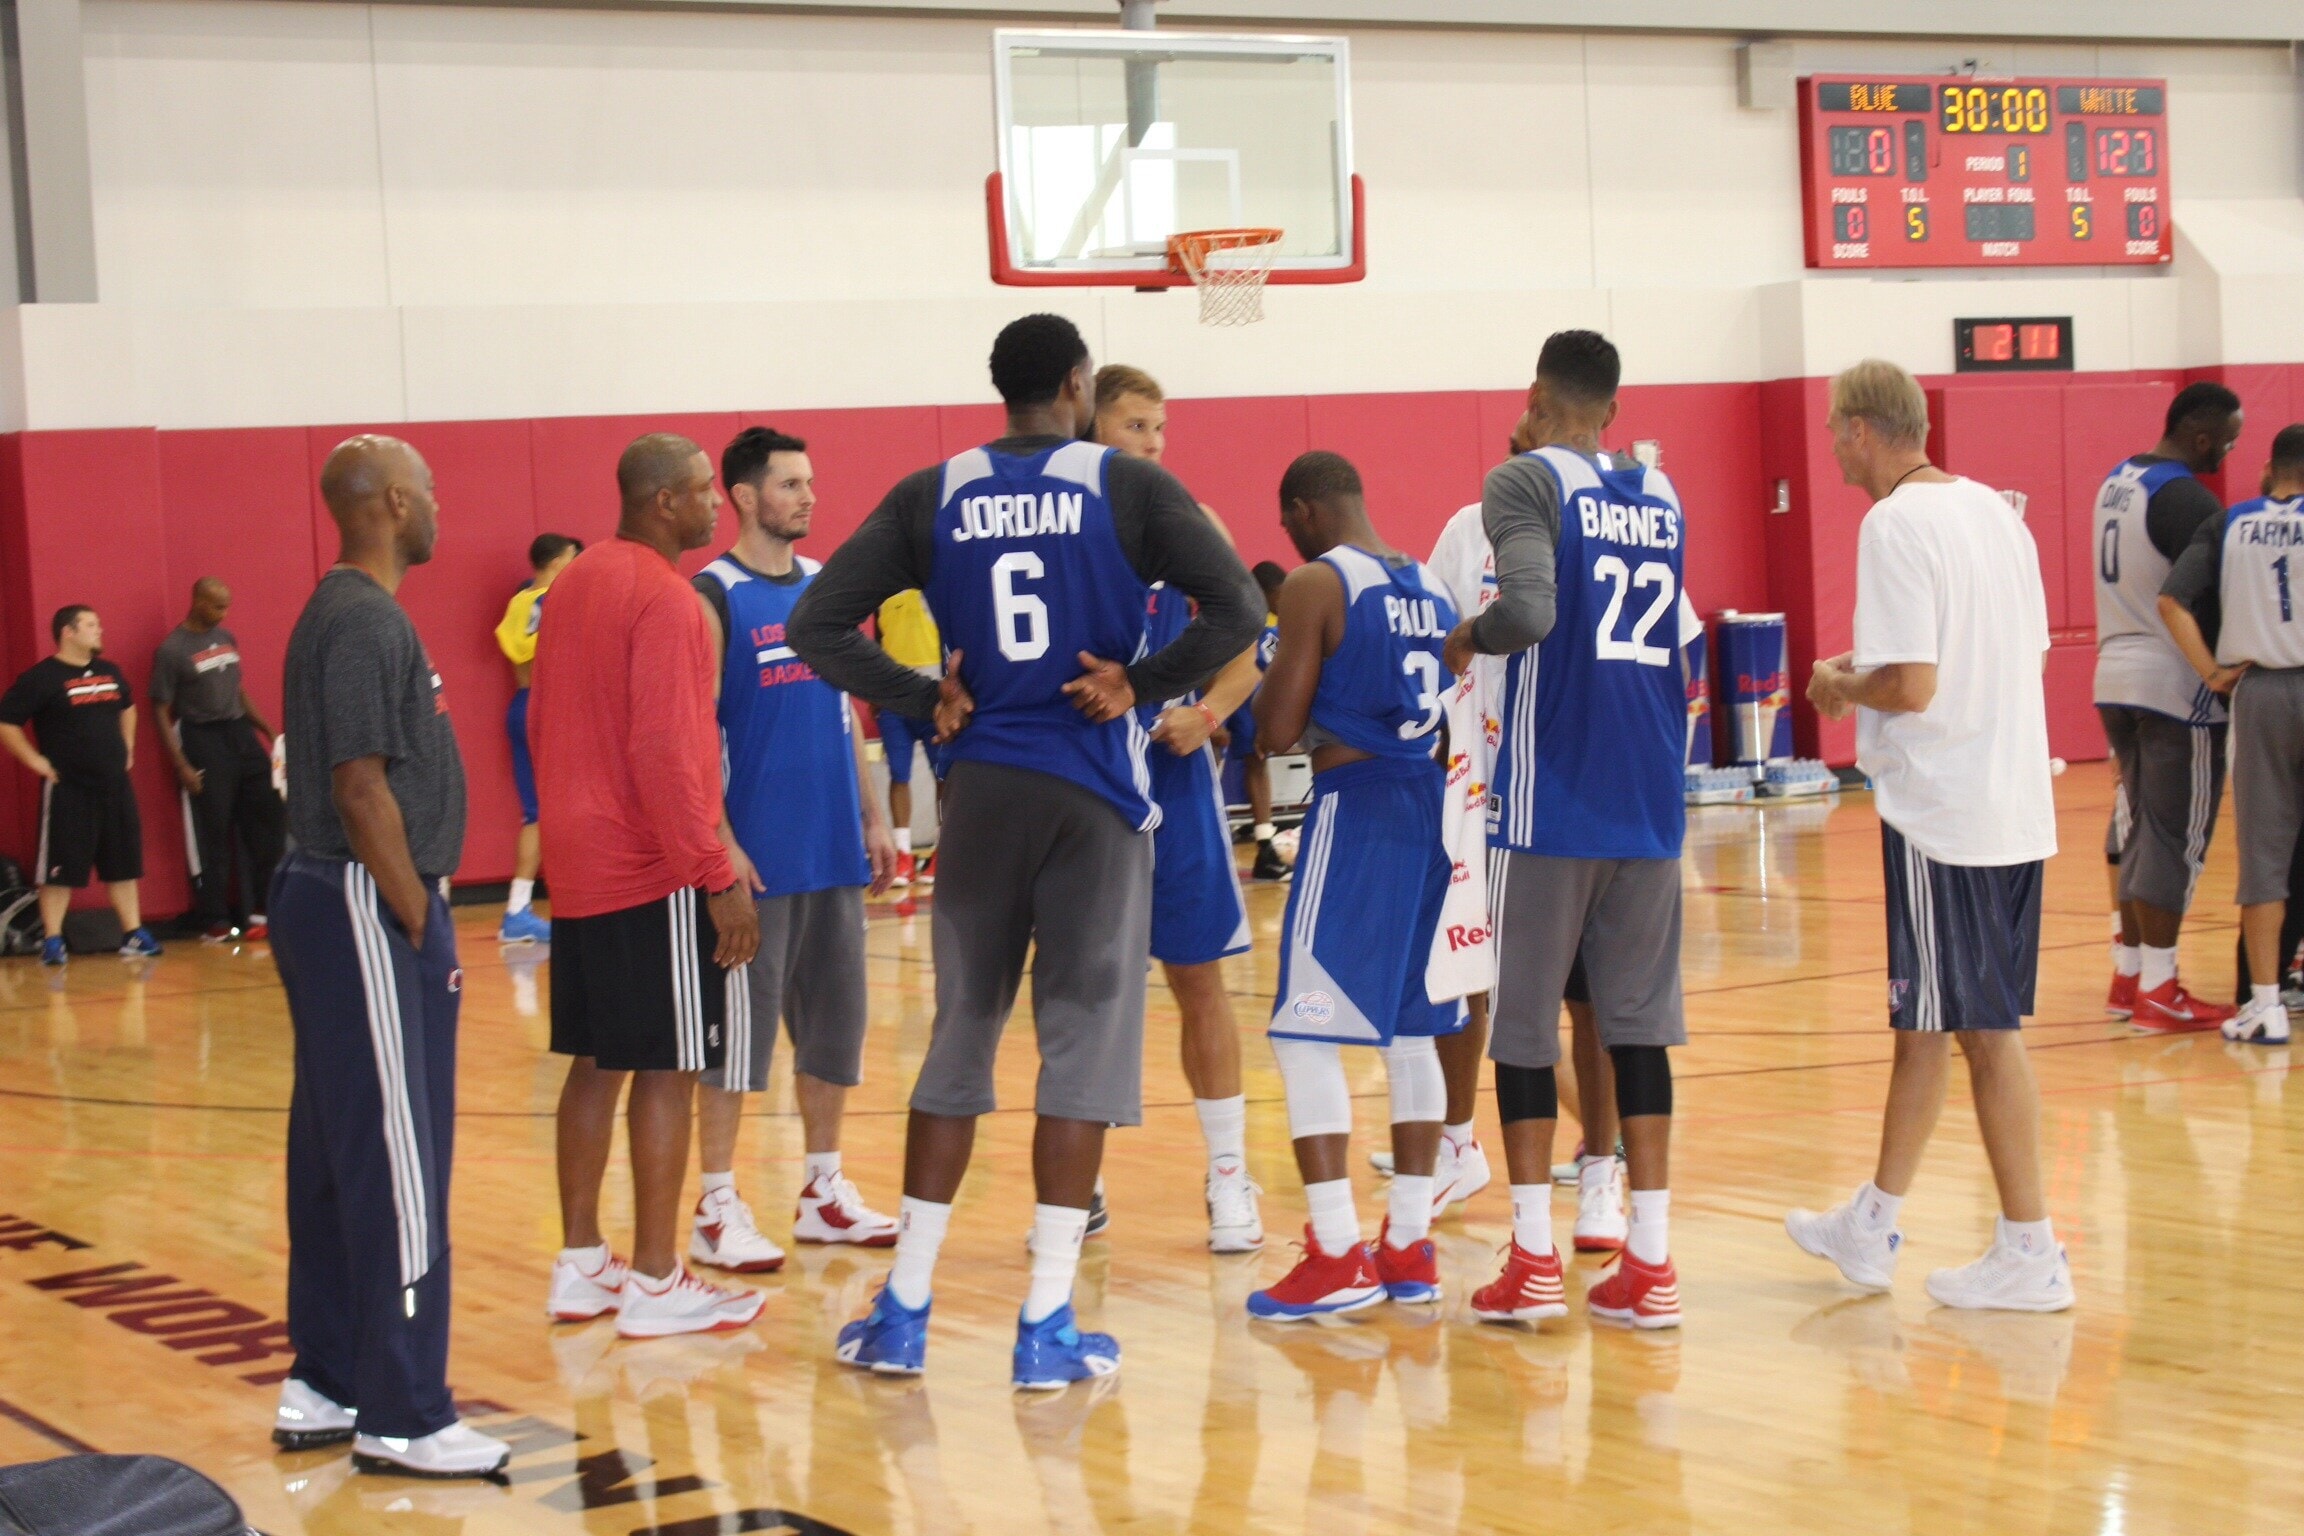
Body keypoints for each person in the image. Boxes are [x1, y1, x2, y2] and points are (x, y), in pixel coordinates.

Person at [788, 313, 1260, 1388]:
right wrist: (1140, 684)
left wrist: (923, 698)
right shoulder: (1126, 485)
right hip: (1092, 793)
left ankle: (904, 1310)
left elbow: (818, 626)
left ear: (1001, 389)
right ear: (1078, 385)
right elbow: (1237, 606)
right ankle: (1047, 1323)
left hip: (983, 792)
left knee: (959, 1041)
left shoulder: (933, 491)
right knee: (1081, 1050)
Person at [1788, 359, 2073, 1313]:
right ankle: (1872, 1225)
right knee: (1923, 1023)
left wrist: (1840, 686)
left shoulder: (1894, 523)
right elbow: (2021, 655)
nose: (1832, 444)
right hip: (2011, 804)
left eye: (1835, 427)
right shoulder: (1994, 513)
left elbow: (1911, 685)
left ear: (1863, 429)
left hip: (1945, 814)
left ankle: (2031, 1246)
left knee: (1985, 1035)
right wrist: (1870, 669)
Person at [1443, 329, 1697, 1329]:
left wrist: (1469, 636)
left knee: (1523, 1028)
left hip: (1554, 793)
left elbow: (1530, 613)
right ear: (1614, 409)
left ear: (1534, 396)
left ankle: (1534, 1259)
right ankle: (1652, 1260)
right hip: (1652, 794)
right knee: (1638, 1028)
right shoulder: (1659, 492)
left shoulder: (1522, 481)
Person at [267, 435, 507, 1476]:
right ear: (397, 502)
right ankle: (406, 1411)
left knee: (335, 1152)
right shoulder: (365, 618)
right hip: (365, 900)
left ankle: (327, 1380)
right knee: (402, 1161)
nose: (443, 508)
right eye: (433, 492)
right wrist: (417, 915)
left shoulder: (341, 611)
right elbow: (359, 787)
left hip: (336, 897)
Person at [534, 432, 766, 1340]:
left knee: (597, 1061)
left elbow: (550, 721)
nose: (717, 503)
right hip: (648, 865)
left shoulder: (575, 582)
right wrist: (713, 871)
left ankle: (582, 1264)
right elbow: (667, 750)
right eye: (705, 490)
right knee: (671, 1065)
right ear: (664, 500)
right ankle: (660, 1278)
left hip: (578, 860)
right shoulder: (666, 598)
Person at [1241, 450, 1461, 1320]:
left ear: (1304, 511)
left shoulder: (1315, 585)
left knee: (1304, 1032)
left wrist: (1275, 673)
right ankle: (1408, 1243)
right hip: (1432, 809)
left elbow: (1275, 730)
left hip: (1358, 809)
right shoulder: (1433, 587)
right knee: (1412, 1034)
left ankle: (1335, 1251)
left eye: (1286, 523)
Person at [688, 426, 901, 1273]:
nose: (808, 496)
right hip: (757, 861)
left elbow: (845, 710)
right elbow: (693, 732)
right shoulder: (714, 595)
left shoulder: (823, 585)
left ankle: (823, 1189)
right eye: (789, 484)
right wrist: (721, 845)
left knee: (835, 1031)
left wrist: (874, 818)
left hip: (832, 848)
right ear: (744, 497)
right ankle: (715, 1203)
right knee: (738, 1044)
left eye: (810, 482)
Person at [1093, 362, 1266, 1253]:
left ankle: (1229, 1173)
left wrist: (1211, 712)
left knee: (1199, 980)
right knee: (1086, 988)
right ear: (1090, 427)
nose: (1153, 444)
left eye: (1159, 428)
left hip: (1177, 784)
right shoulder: (1069, 526)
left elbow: (1251, 642)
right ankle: (1077, 1177)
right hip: (1089, 782)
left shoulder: (1194, 524)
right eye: (1135, 426)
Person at [2093, 382, 2244, 1030]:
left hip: (2113, 675)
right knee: (2174, 838)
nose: (2230, 450)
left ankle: (2129, 975)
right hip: (2177, 687)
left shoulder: (2117, 480)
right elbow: (2204, 596)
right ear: (2201, 436)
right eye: (2228, 439)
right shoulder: (2188, 500)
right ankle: (2160, 988)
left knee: (2135, 831)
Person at [2158, 422, 2304, 1046]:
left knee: (2264, 855)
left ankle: (2265, 1006)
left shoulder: (2230, 522)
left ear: (2272, 468)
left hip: (2261, 692)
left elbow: (2171, 602)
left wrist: (2212, 672)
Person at [0, 606, 162, 963]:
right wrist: (35, 760)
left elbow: (128, 707)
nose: (99, 630)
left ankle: (133, 933)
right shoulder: (42, 677)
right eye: (91, 625)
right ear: (68, 632)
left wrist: (127, 746)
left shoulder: (110, 671)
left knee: (123, 865)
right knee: (59, 869)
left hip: (114, 785)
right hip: (69, 788)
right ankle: (53, 940)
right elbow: (6, 722)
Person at [152, 578, 286, 944]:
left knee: (269, 818)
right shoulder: (172, 650)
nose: (223, 613)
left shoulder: (226, 638)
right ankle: (214, 918)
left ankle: (263, 911)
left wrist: (267, 730)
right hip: (202, 737)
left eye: (226, 606)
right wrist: (181, 763)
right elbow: (160, 710)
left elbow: (236, 690)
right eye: (216, 606)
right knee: (213, 830)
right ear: (197, 601)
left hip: (240, 733)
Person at [493, 532, 582, 944]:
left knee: (537, 813)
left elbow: (516, 646)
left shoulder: (520, 600)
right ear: (559, 560)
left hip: (520, 705)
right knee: (563, 809)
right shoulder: (552, 601)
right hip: (547, 709)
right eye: (573, 558)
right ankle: (574, 901)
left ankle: (518, 908)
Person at [874, 587, 942, 895]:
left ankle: (942, 850)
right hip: (894, 697)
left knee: (942, 774)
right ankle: (902, 853)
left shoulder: (936, 586)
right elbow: (877, 645)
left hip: (934, 693)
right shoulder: (882, 593)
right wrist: (875, 691)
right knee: (898, 773)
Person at [1242, 561, 1292, 882]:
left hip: (1249, 707)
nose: (1284, 603)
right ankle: (1264, 848)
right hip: (1236, 707)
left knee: (1256, 767)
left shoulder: (1269, 632)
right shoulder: (1250, 629)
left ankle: (1265, 848)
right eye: (1280, 596)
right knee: (1252, 768)